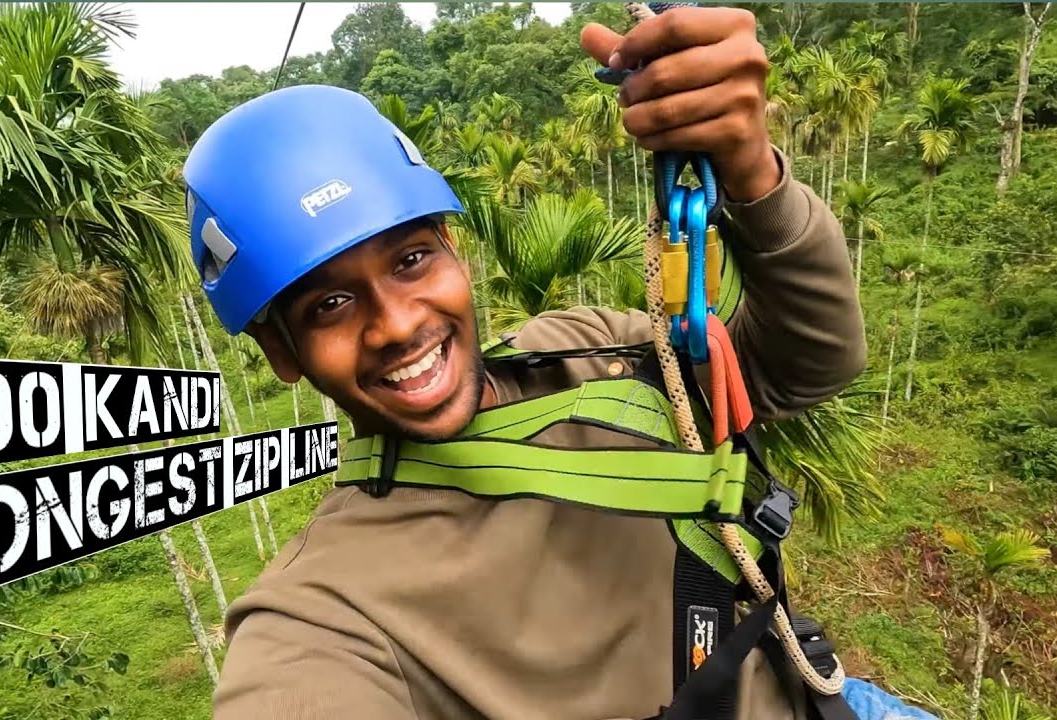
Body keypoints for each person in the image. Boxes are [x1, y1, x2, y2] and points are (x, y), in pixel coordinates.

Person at [186, 7, 880, 720]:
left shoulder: (589, 350)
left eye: (411, 259)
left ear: (456, 250)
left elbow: (808, 367)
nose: (396, 324)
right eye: (328, 306)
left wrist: (751, 171)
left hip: (822, 696)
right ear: (281, 352)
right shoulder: (325, 611)